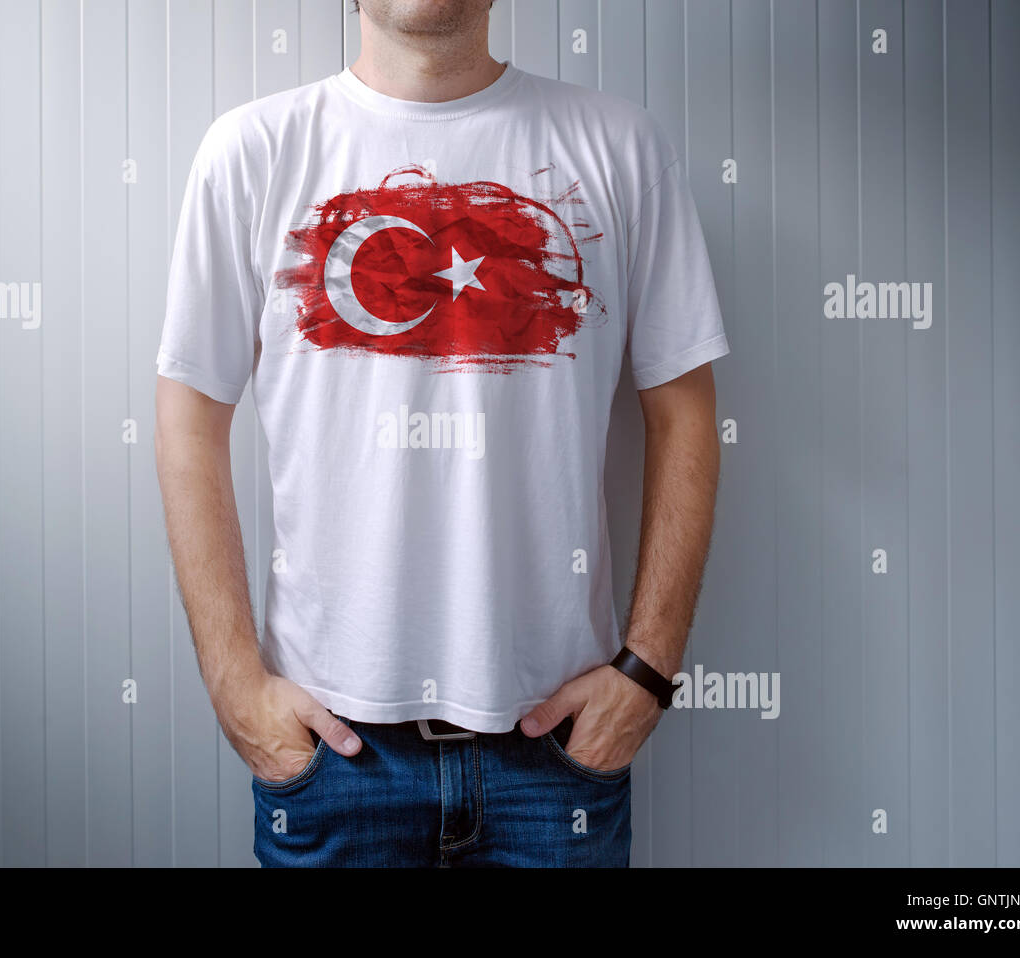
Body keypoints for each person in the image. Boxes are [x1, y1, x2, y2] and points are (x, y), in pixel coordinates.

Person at [154, 0, 729, 868]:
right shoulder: (253, 151)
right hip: (332, 754)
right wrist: (235, 684)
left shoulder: (621, 146)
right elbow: (189, 414)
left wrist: (645, 675)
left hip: (558, 754)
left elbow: (685, 411)